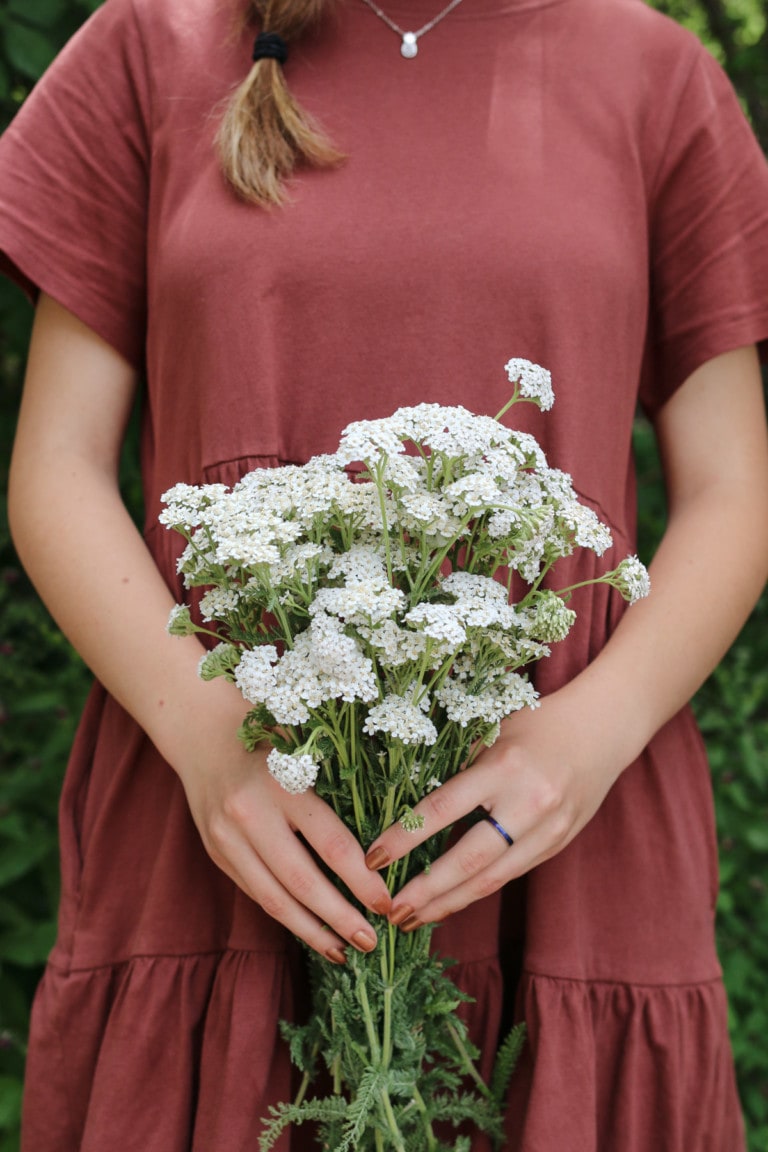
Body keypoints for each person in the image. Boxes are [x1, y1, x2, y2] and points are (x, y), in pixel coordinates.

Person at [2, 0, 768, 1147]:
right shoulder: (152, 42)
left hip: (563, 827)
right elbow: (55, 468)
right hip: (227, 825)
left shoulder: (651, 71)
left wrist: (582, 742)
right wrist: (218, 748)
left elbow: (734, 497)